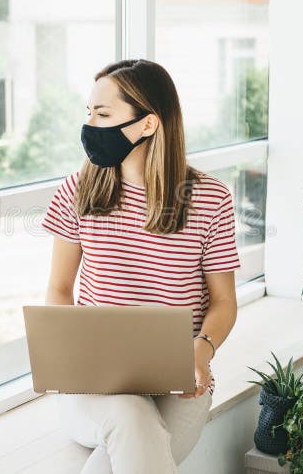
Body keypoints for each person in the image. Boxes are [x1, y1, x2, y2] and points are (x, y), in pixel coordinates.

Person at [41, 58, 241, 474]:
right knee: (129, 418)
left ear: (147, 124)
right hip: (95, 386)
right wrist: (64, 360)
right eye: (89, 113)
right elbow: (60, 289)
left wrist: (200, 352)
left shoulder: (210, 199)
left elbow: (223, 301)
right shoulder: (78, 191)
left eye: (103, 114)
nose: (91, 125)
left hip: (178, 383)